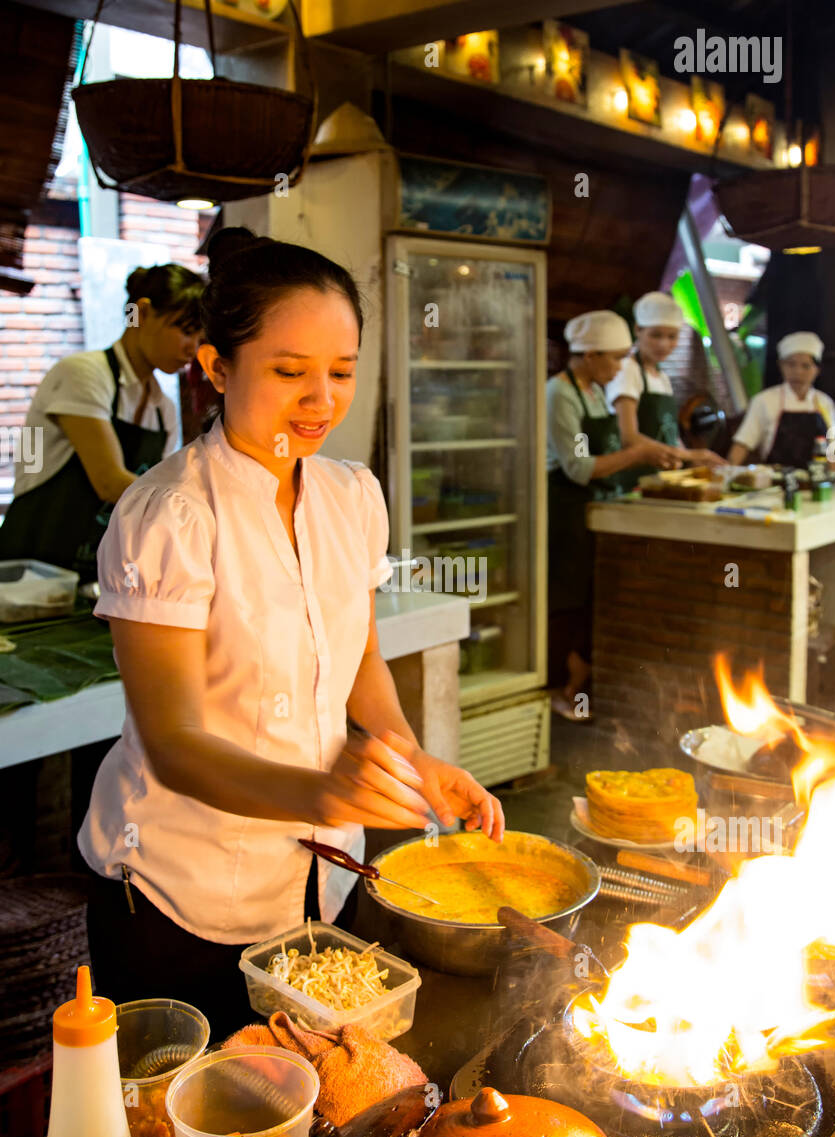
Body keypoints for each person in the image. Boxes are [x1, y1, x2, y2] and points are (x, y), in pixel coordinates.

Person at [79, 227, 504, 1038]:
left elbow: (360, 660)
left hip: (315, 875)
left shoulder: (353, 496)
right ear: (216, 367)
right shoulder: (168, 515)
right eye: (288, 372)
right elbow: (171, 743)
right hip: (179, 891)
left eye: (341, 372)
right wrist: (315, 791)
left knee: (303, 1110)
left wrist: (414, 765)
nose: (321, 400)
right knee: (190, 1130)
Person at [0, 264, 204, 581]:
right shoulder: (82, 373)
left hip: (96, 577)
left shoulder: (162, 408)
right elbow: (108, 481)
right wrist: (198, 509)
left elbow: (150, 501)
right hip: (31, 571)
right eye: (185, 330)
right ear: (144, 312)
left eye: (200, 338)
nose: (192, 349)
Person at [546, 310, 682, 720]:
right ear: (590, 355)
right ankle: (558, 690)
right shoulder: (561, 393)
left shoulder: (591, 391)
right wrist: (637, 453)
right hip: (564, 511)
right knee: (567, 602)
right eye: (616, 357)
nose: (622, 365)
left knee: (590, 599)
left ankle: (578, 687)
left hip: (593, 507)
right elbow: (580, 467)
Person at [607, 290, 724, 471]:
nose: (664, 344)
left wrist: (690, 461)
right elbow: (628, 436)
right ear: (638, 330)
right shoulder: (627, 370)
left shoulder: (662, 377)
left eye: (672, 336)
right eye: (656, 335)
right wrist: (689, 455)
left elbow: (670, 434)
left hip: (661, 475)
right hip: (633, 477)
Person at [728, 331, 835, 468]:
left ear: (817, 369)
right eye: (791, 364)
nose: (798, 372)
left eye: (806, 366)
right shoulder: (764, 400)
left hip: (815, 482)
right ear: (781, 365)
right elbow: (742, 444)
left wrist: (834, 482)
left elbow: (832, 451)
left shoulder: (825, 403)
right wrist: (728, 473)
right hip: (775, 482)